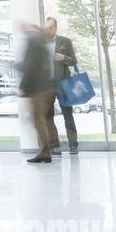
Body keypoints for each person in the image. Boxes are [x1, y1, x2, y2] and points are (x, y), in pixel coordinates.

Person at [17, 22, 57, 164]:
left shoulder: (34, 41)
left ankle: (45, 152)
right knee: (38, 121)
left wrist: (22, 84)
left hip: (38, 89)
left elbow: (30, 66)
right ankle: (44, 152)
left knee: (38, 121)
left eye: (29, 27)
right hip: (43, 88)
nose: (25, 29)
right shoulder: (41, 44)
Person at [45, 17, 79, 155]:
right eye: (46, 28)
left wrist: (63, 58)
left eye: (51, 27)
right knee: (48, 117)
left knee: (68, 115)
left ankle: (73, 145)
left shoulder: (65, 41)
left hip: (63, 83)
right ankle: (54, 146)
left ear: (56, 27)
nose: (48, 30)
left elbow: (74, 62)